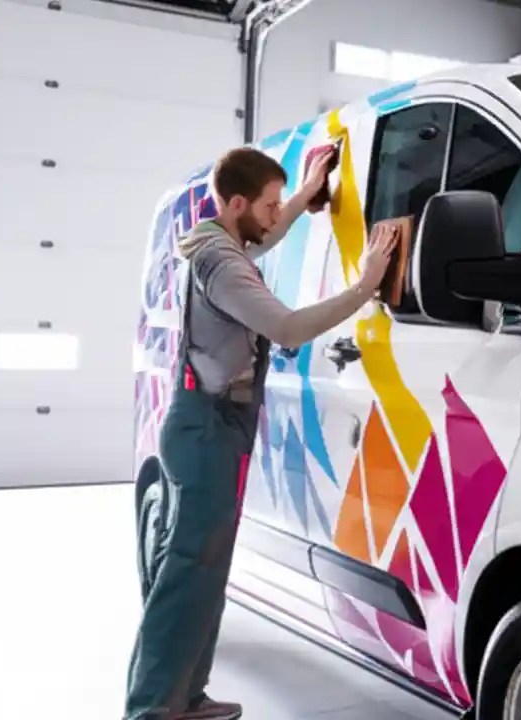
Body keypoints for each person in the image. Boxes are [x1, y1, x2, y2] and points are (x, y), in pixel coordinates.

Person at [124, 146, 398, 720]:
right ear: (241, 203)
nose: (277, 216)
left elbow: (261, 243)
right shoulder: (220, 264)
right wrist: (364, 284)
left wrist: (303, 194)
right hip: (205, 429)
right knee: (187, 575)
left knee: (206, 574)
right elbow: (287, 326)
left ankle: (186, 697)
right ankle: (151, 709)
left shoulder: (217, 239)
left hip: (211, 423)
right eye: (271, 205)